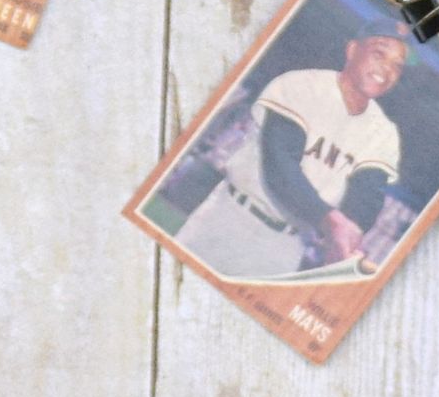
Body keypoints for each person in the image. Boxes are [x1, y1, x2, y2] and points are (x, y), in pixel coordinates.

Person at [172, 24, 408, 282]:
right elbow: (280, 163)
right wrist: (332, 223)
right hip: (228, 218)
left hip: (285, 247)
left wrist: (349, 236)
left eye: (397, 65)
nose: (387, 69)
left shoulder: (384, 132)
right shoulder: (301, 85)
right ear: (352, 50)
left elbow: (367, 195)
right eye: (379, 54)